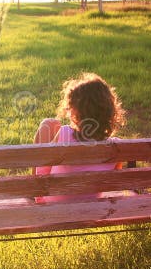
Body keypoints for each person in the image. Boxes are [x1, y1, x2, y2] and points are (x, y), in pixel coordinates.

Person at [33, 72, 126, 202]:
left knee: (48, 124)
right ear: (110, 111)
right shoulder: (117, 147)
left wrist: (39, 196)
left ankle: (30, 189)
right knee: (49, 124)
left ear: (75, 111)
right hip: (91, 211)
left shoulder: (64, 134)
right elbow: (113, 182)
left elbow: (43, 170)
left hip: (54, 207)